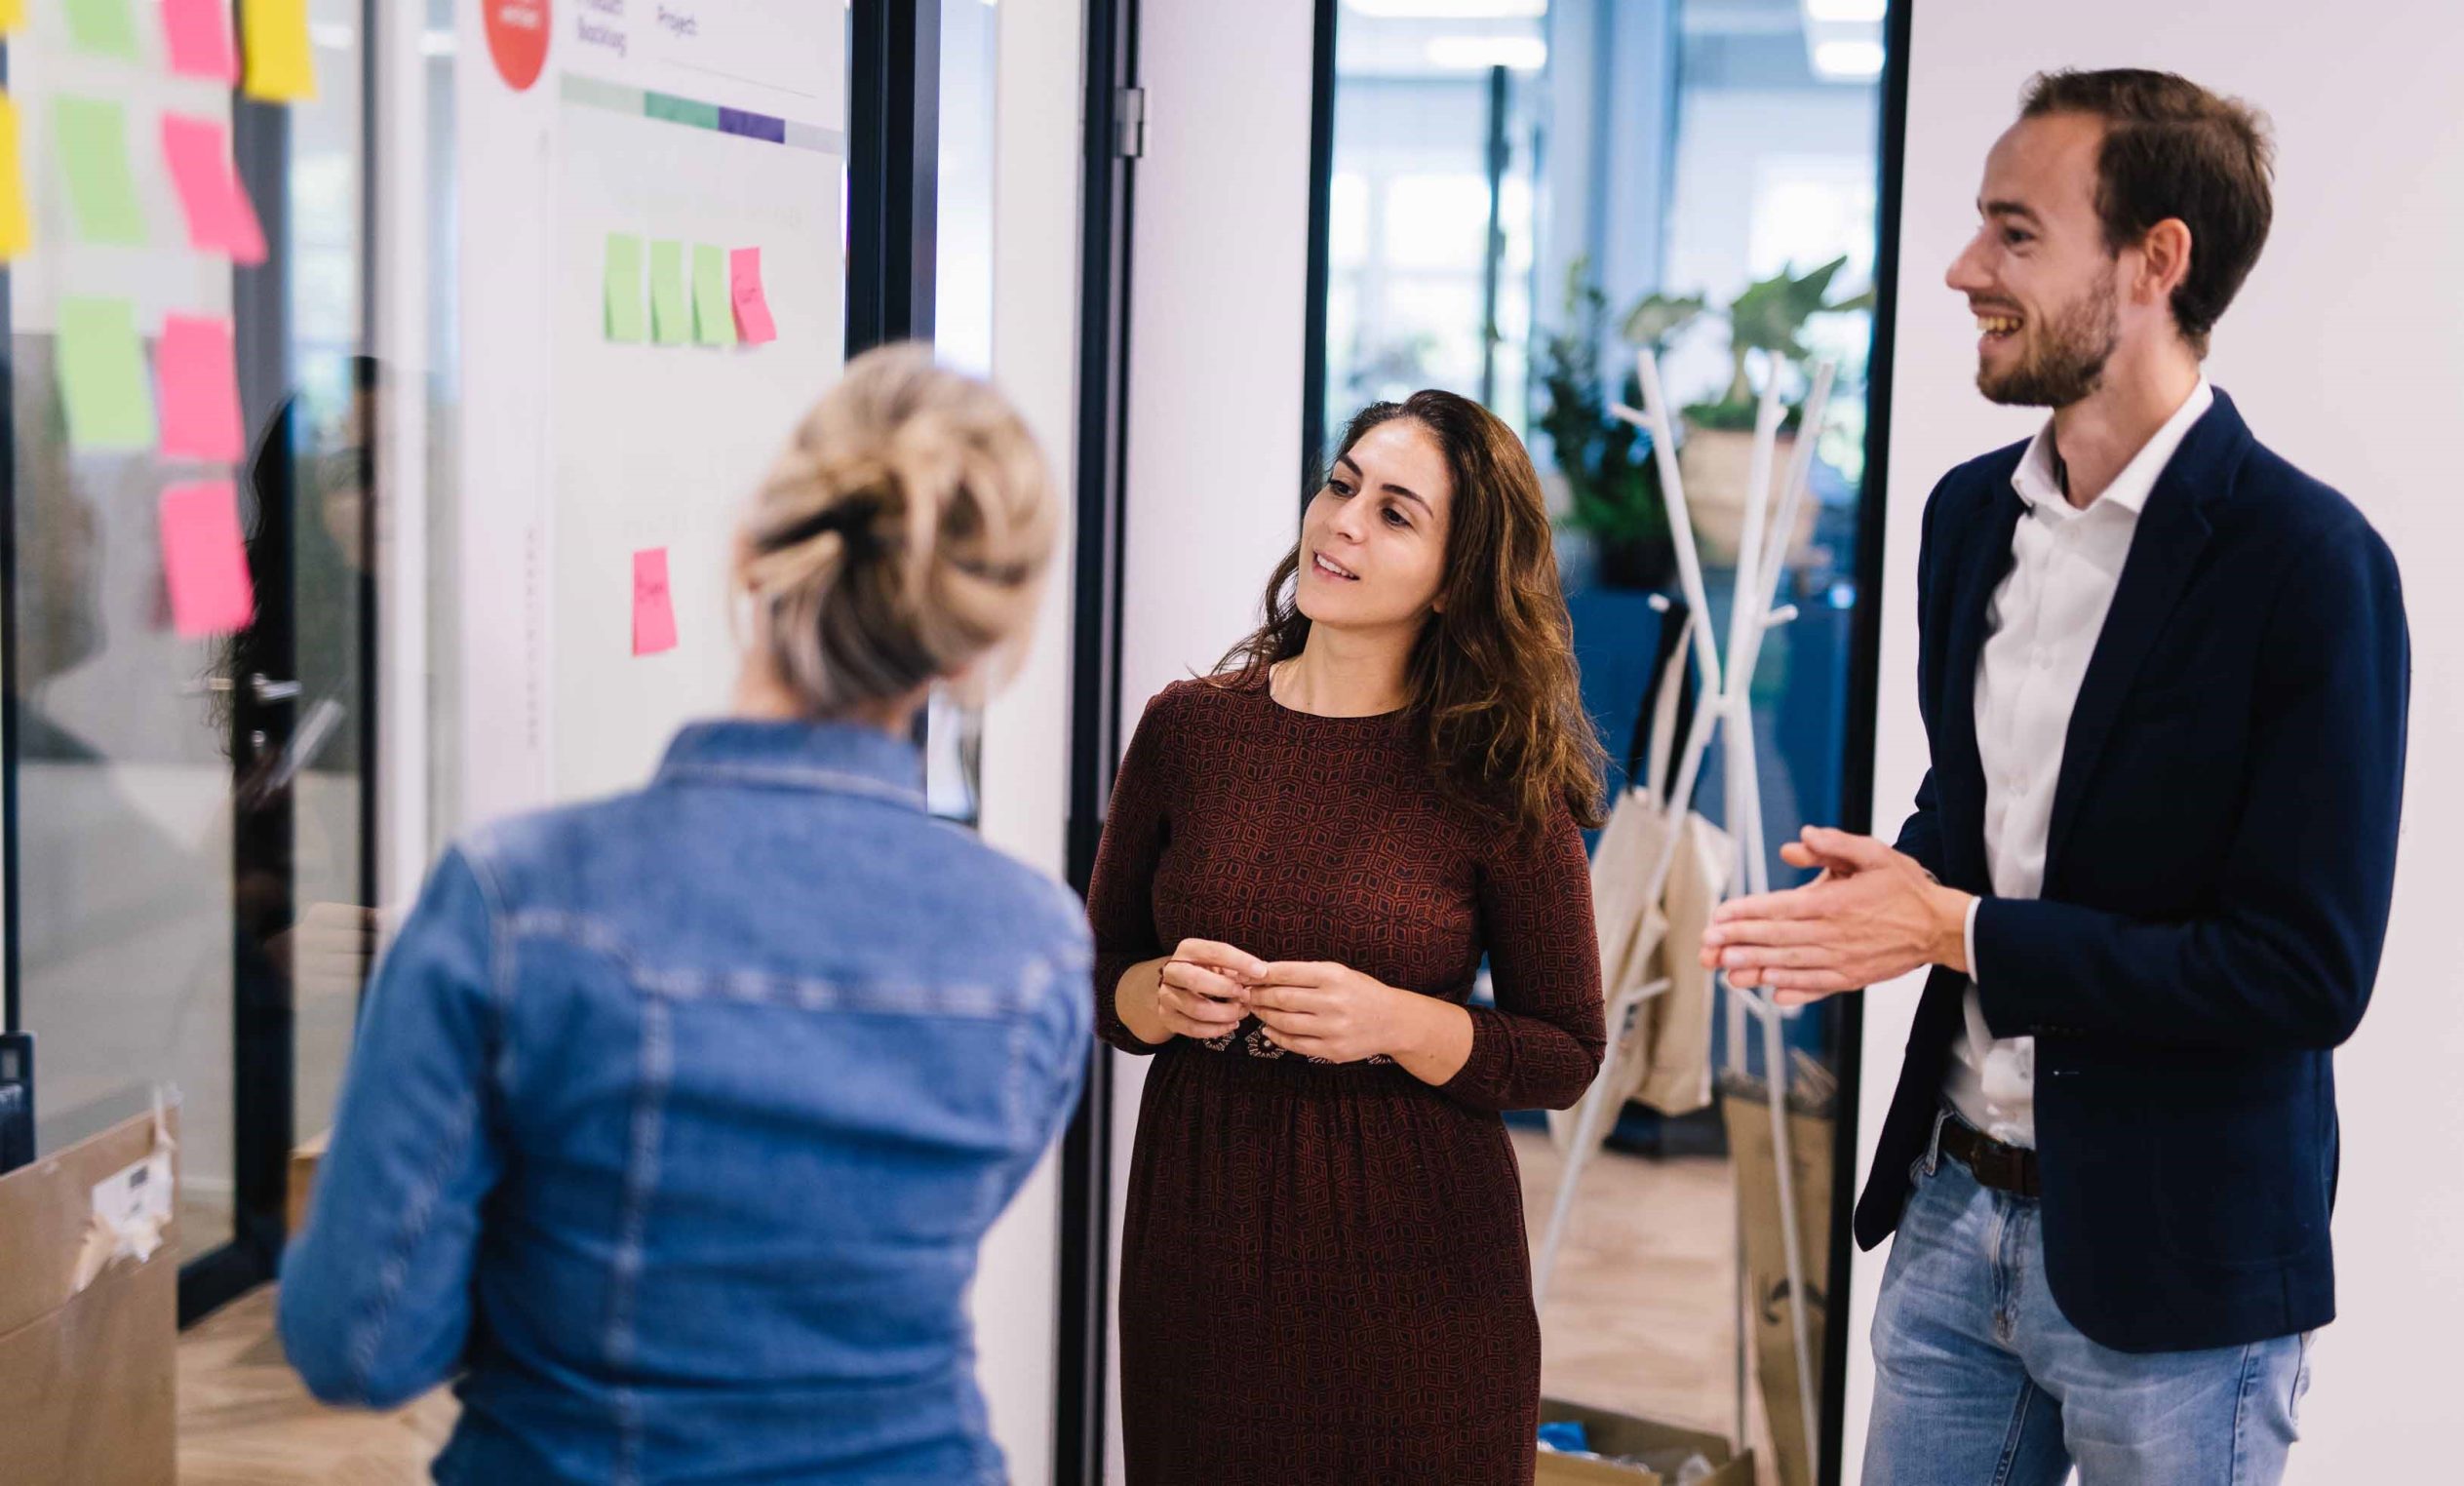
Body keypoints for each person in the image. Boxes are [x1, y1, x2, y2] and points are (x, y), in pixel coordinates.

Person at [1700, 70, 2408, 1484]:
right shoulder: (1968, 515)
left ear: (2156, 261)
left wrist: (1952, 929)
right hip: (1950, 1212)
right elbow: (1979, 810)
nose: (1964, 269)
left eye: (2015, 233)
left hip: (2179, 1268)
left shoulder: (2309, 567)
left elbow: (2301, 975)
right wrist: (1886, 894)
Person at [279, 345, 1088, 1485]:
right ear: (977, 648)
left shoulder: (516, 897)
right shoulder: (1035, 948)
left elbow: (359, 1346)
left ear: (748, 555)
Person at [1089, 389, 1609, 1483]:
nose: (1343, 522)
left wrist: (1395, 1021)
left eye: (1395, 512)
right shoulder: (1188, 729)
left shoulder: (1496, 773)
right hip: (1199, 1249)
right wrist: (1158, 993)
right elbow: (1096, 977)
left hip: (1421, 1274)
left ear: (1456, 578)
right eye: (1342, 485)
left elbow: (1565, 1052)